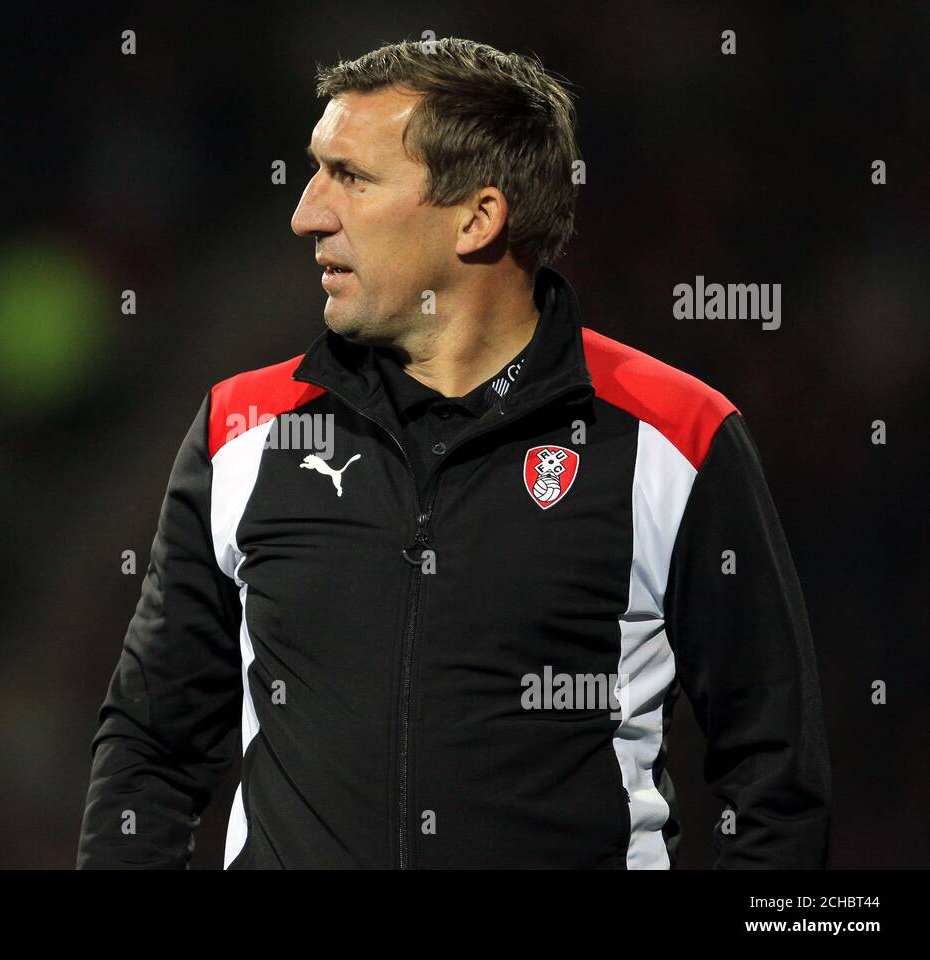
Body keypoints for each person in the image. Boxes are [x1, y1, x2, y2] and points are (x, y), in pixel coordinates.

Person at [77, 37, 831, 869]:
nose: (306, 212)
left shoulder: (677, 436)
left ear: (478, 217)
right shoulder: (242, 427)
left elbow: (774, 781)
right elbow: (150, 747)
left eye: (351, 177)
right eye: (315, 170)